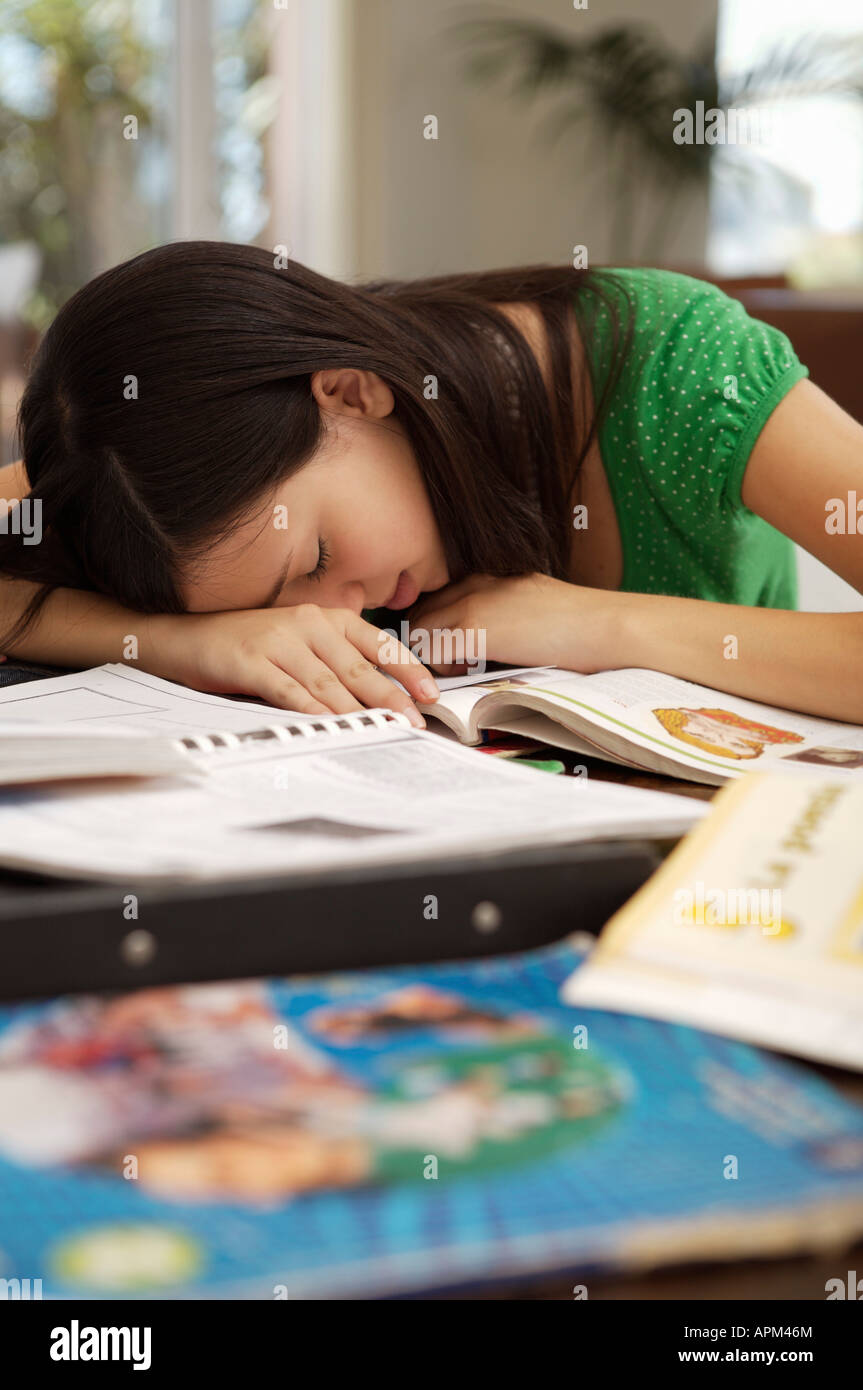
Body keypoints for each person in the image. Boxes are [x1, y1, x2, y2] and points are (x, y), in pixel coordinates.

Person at [2, 241, 862, 727]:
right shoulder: (132, 466)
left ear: (349, 391)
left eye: (319, 557)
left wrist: (597, 622)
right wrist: (187, 642)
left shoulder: (681, 367)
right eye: (262, 606)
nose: (332, 618)